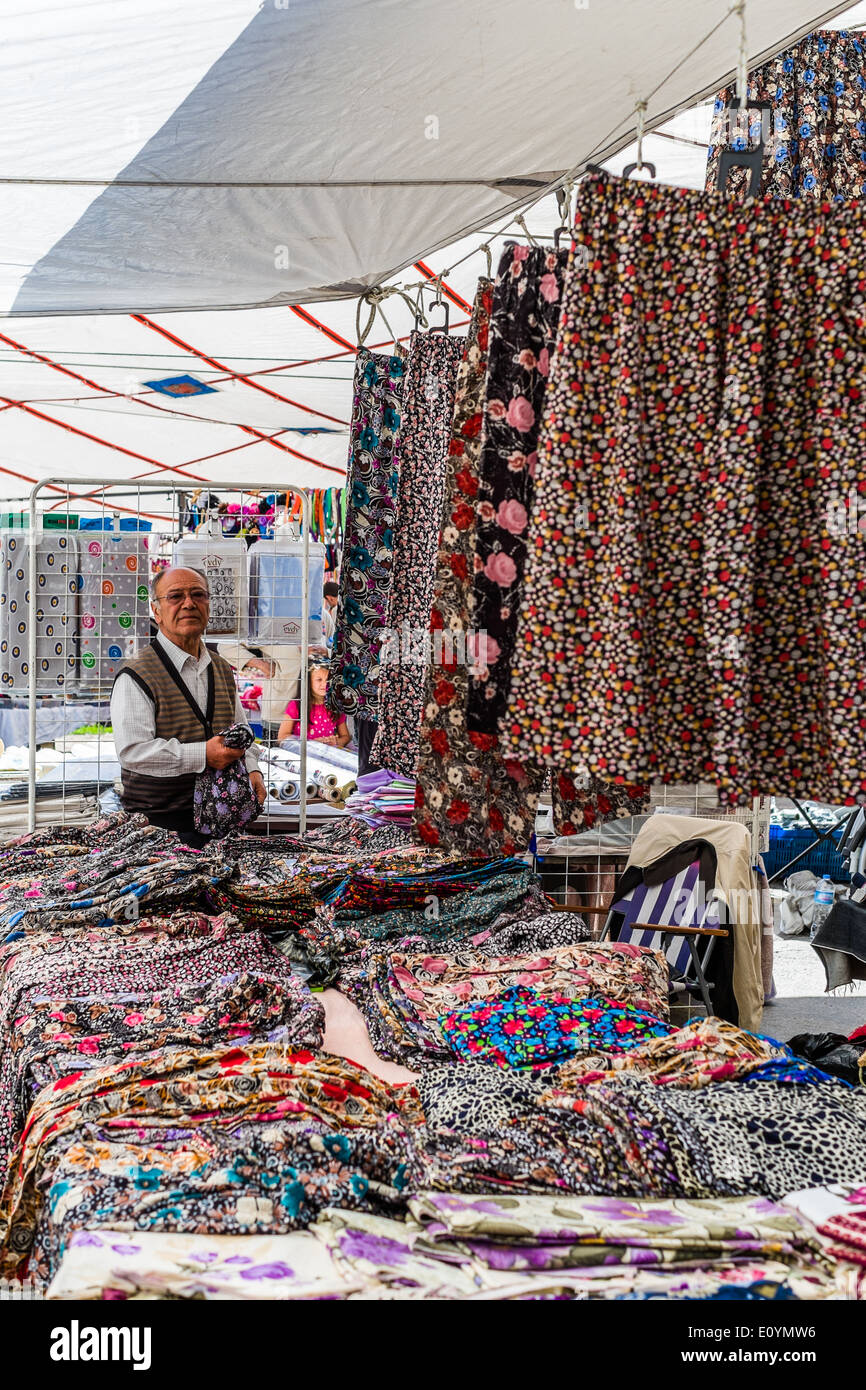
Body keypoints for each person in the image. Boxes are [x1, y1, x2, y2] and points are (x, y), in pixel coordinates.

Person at [110, 566, 266, 845]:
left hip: (221, 826)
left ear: (208, 604)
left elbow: (240, 731)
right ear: (156, 612)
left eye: (198, 594)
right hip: (160, 829)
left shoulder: (220, 667)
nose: (189, 603)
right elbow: (133, 752)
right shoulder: (136, 673)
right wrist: (203, 754)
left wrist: (252, 767)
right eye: (175, 596)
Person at [278, 662, 350, 747]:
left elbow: (345, 737)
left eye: (328, 680)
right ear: (308, 682)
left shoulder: (336, 705)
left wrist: (336, 742)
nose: (325, 684)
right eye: (319, 680)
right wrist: (310, 743)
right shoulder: (296, 705)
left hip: (326, 757)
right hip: (302, 756)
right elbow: (282, 737)